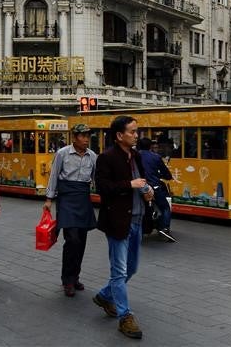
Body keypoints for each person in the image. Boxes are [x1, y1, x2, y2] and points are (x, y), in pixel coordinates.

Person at [93, 115, 153, 340]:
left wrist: (147, 191)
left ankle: (104, 296)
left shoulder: (136, 156)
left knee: (132, 269)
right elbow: (103, 187)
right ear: (119, 136)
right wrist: (129, 184)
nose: (136, 135)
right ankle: (125, 317)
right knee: (119, 271)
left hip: (137, 219)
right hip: (118, 222)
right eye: (132, 132)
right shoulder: (106, 158)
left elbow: (142, 182)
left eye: (137, 131)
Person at [43, 123, 97, 296]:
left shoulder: (92, 156)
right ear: (74, 137)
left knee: (81, 240)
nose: (86, 139)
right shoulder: (62, 153)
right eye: (82, 136)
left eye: (88, 136)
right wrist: (49, 199)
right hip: (66, 198)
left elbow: (97, 179)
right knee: (72, 239)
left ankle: (75, 276)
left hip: (83, 197)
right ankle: (67, 279)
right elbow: (53, 175)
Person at [137, 136, 175, 242]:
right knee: (165, 208)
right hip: (154, 187)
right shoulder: (155, 157)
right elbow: (165, 172)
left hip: (139, 187)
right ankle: (164, 228)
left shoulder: (134, 156)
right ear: (151, 147)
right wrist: (168, 176)